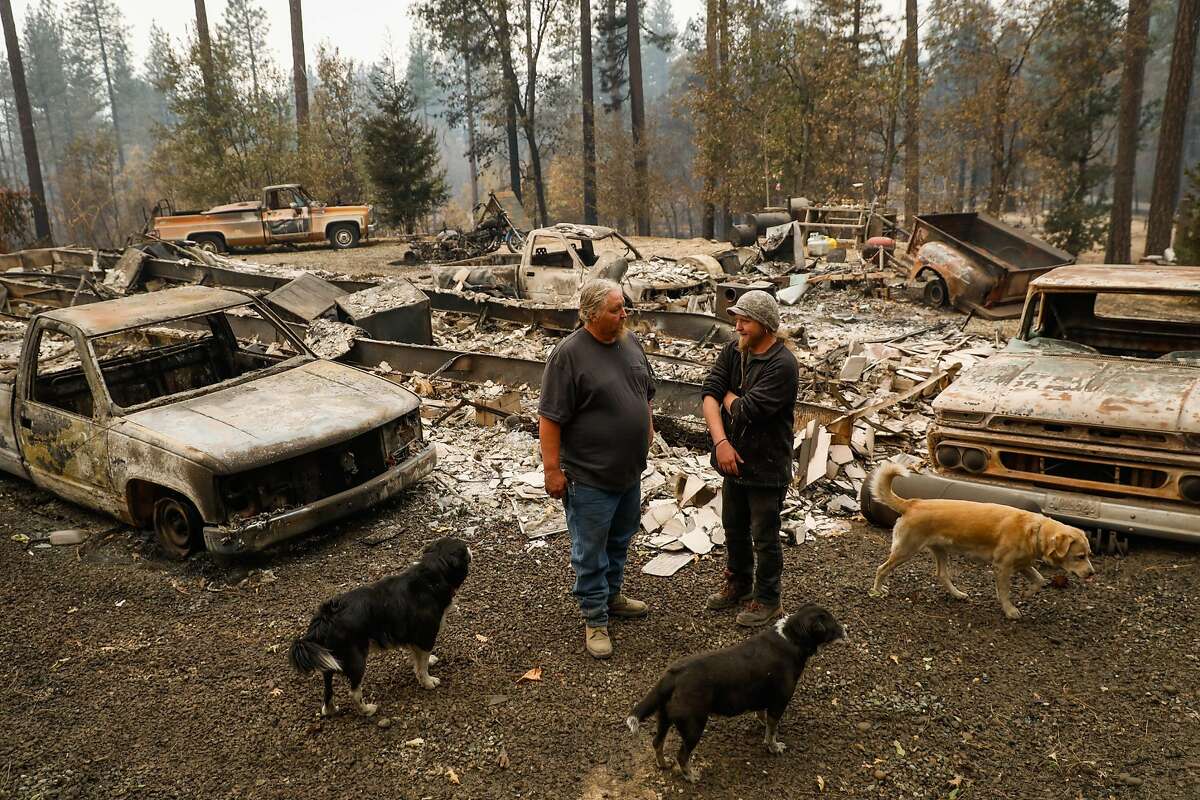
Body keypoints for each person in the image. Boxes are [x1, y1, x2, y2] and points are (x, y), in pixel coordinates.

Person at [539, 279, 656, 659]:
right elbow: (550, 419)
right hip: (589, 478)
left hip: (627, 473)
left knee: (621, 539)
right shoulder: (569, 355)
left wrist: (647, 429)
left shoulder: (629, 341)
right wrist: (552, 470)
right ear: (591, 314)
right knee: (590, 551)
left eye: (624, 306)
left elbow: (645, 392)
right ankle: (594, 618)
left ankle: (614, 595)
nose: (624, 314)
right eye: (615, 309)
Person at [700, 290, 799, 627]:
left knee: (765, 536)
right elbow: (708, 392)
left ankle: (768, 598)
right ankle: (740, 582)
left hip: (766, 465)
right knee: (734, 529)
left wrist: (727, 395)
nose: (738, 326)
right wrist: (721, 443)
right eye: (737, 319)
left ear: (766, 325)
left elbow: (745, 410)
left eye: (745, 320)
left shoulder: (782, 365)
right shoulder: (734, 350)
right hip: (732, 460)